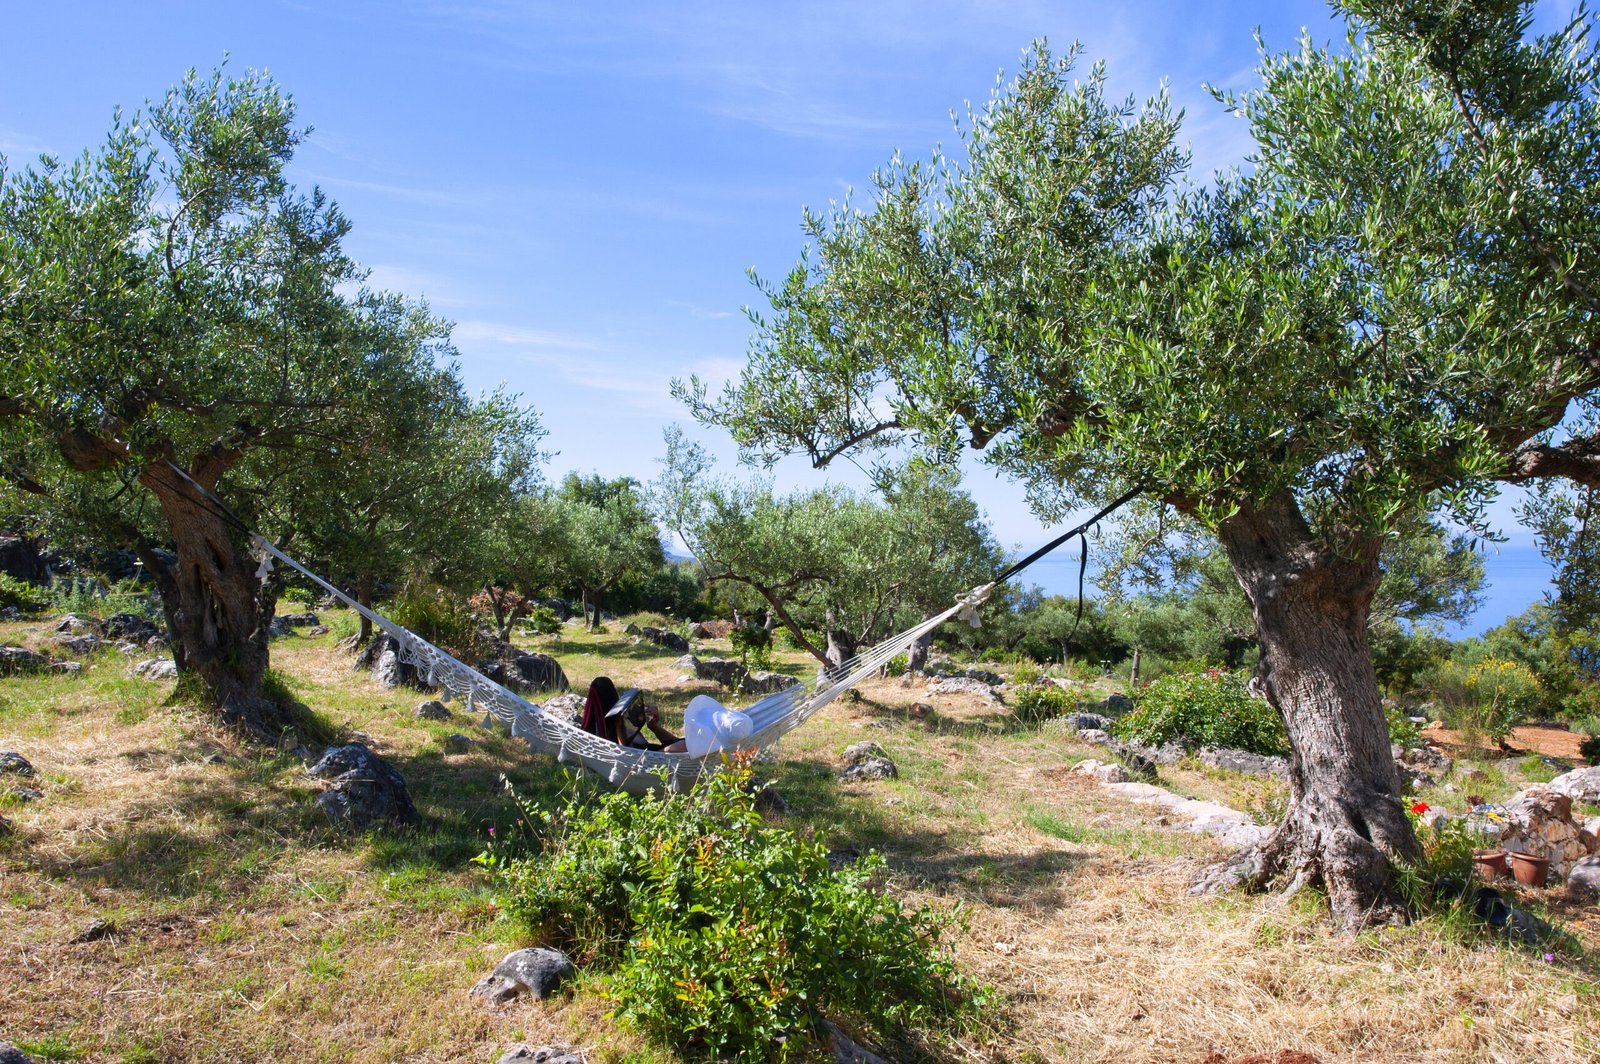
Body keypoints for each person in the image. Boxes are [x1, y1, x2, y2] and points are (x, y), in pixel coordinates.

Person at [579, 675, 686, 752]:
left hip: (623, 751)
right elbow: (674, 743)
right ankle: (592, 732)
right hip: (636, 746)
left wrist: (619, 726)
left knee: (600, 685)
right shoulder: (695, 745)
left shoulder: (686, 749)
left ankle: (589, 737)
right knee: (603, 685)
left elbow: (628, 758)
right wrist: (653, 727)